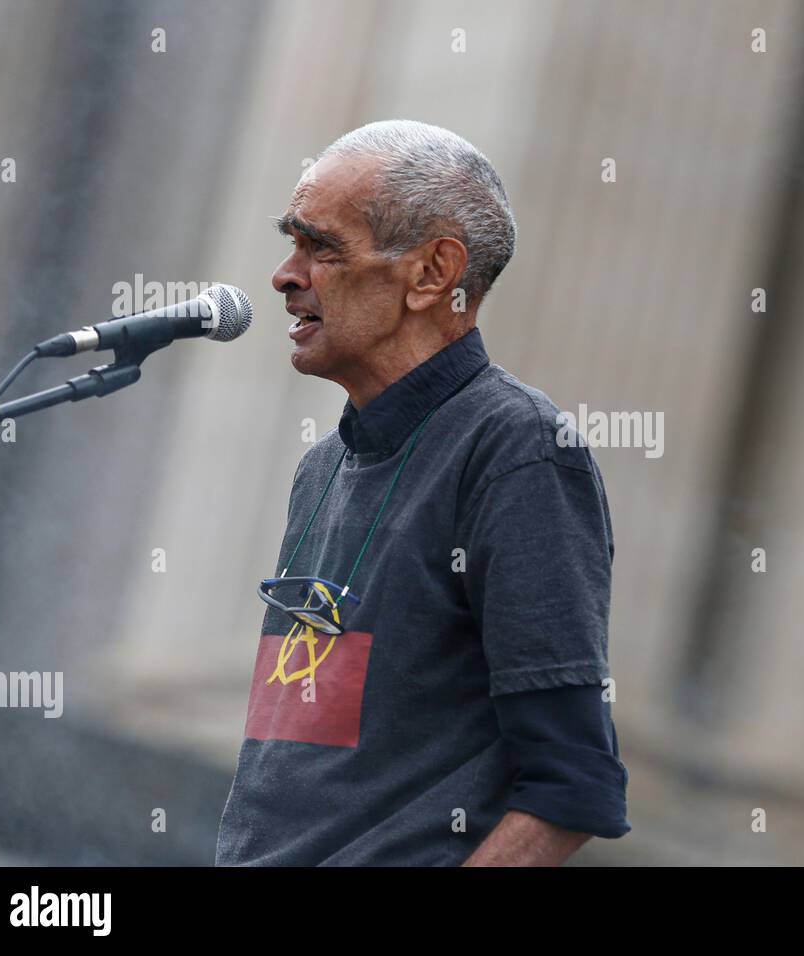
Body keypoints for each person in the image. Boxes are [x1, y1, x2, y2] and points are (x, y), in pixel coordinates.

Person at [215, 120, 629, 866]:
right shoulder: (322, 467)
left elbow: (574, 786)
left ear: (434, 273)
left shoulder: (520, 450)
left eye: (322, 247)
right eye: (291, 241)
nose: (283, 274)